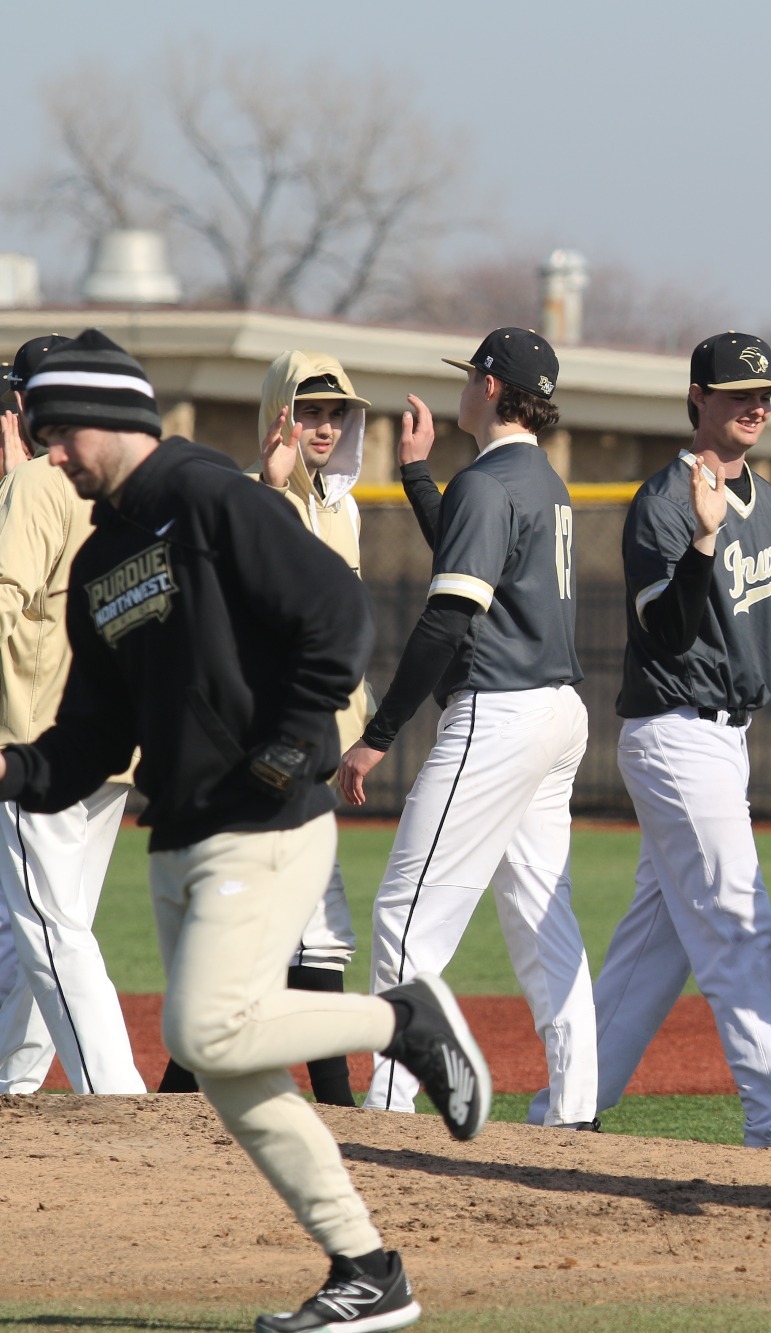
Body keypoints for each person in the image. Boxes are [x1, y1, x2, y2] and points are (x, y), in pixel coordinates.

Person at [0, 328, 490, 1333]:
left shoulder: (210, 495)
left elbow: (336, 616)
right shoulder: (103, 559)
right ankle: (368, 1267)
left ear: (117, 420)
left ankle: (403, 1019)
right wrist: (14, 770)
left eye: (59, 433)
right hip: (178, 833)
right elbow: (93, 733)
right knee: (232, 1073)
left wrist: (278, 755)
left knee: (203, 1030)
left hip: (262, 816)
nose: (49, 453)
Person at [523, 332, 771, 1156]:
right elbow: (668, 632)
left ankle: (565, 1109)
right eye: (738, 391)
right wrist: (705, 542)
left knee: (660, 938)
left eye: (766, 394)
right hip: (675, 733)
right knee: (742, 928)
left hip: (727, 742)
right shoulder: (664, 501)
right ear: (697, 397)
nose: (756, 405)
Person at [337, 328, 597, 1128]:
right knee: (541, 914)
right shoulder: (540, 480)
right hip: (557, 713)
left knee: (405, 912)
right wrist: (417, 474)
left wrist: (378, 733)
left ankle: (390, 1099)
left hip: (500, 713)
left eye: (469, 376)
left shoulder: (489, 485)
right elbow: (468, 550)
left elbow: (449, 615)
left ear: (488, 386)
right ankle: (576, 1106)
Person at [162, 352, 381, 1104]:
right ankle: (337, 1109)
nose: (322, 425)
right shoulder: (247, 497)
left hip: (311, 748)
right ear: (277, 412)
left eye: (334, 413)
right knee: (289, 927)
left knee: (271, 935)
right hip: (262, 745)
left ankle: (174, 1100)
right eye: (308, 409)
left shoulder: (343, 510)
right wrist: (268, 485)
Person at [0, 333, 144, 1096]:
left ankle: (114, 1094)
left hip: (38, 739)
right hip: (111, 740)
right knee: (35, 928)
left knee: (50, 928)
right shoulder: (117, 483)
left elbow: (2, 594)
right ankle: (12, 1081)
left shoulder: (33, 481)